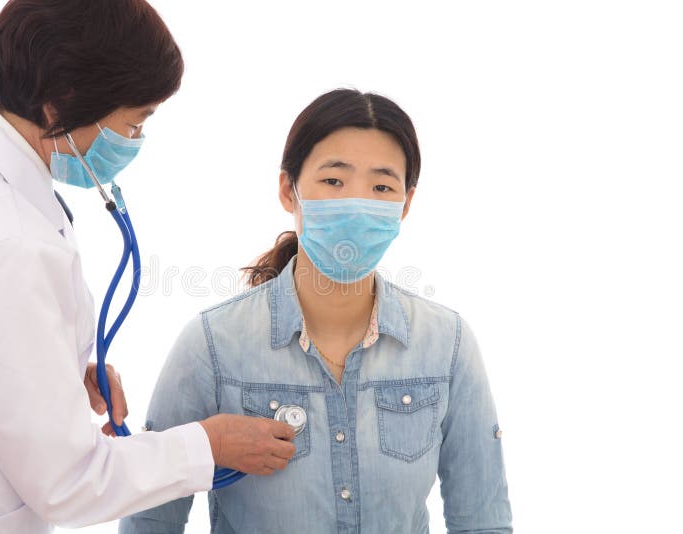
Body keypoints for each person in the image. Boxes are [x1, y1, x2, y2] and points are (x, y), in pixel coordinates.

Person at [0, 1, 295, 532]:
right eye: (136, 119)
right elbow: (70, 484)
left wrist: (48, 369)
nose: (137, 139)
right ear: (63, 103)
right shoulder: (3, 243)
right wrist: (207, 445)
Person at [120, 89, 513, 533]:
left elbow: (483, 520)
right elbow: (150, 519)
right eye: (333, 181)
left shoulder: (448, 343)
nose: (356, 201)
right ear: (289, 190)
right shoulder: (211, 344)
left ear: (405, 204)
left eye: (381, 186)